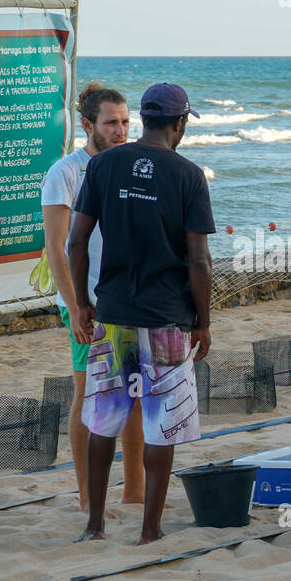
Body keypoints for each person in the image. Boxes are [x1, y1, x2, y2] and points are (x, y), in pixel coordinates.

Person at [69, 83, 214, 544]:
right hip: (167, 319)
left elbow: (76, 241)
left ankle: (95, 523)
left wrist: (83, 303)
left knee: (103, 419)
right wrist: (204, 321)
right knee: (161, 424)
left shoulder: (103, 165)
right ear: (179, 123)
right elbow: (199, 260)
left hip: (112, 314)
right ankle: (150, 529)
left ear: (143, 120)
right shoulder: (189, 175)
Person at [41, 82, 145, 513]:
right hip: (88, 303)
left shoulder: (134, 165)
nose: (120, 130)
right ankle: (87, 497)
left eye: (125, 121)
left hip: (131, 299)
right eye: (111, 123)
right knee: (90, 397)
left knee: (136, 393)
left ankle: (135, 491)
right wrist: (75, 305)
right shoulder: (65, 173)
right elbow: (58, 247)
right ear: (88, 125)